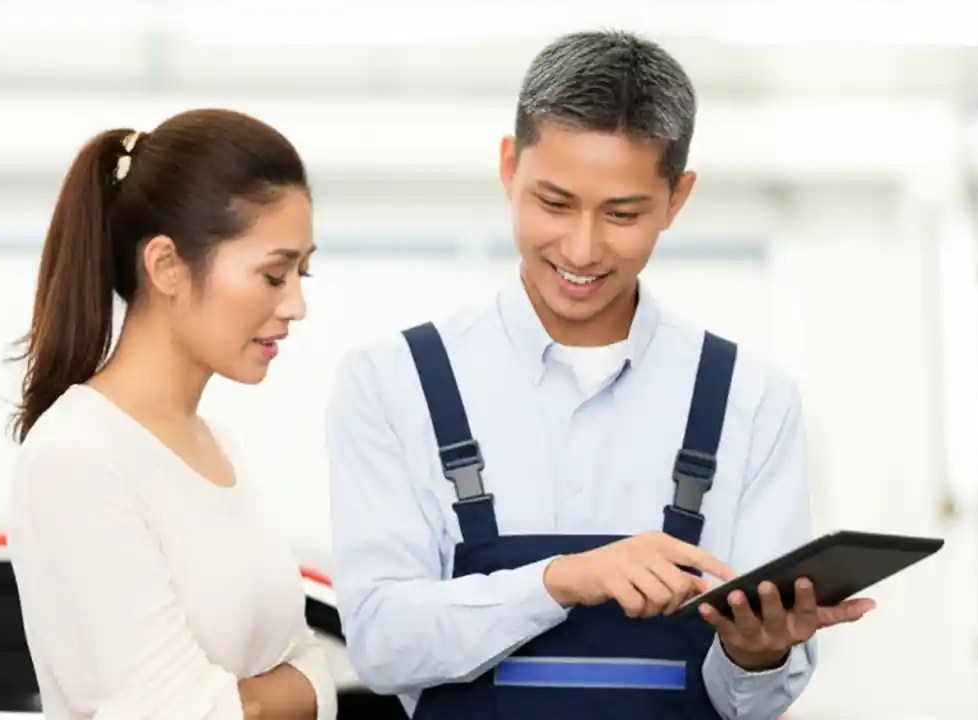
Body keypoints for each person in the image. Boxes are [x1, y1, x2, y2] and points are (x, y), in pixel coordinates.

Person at [326, 31, 874, 719]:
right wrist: (563, 582)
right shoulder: (392, 383)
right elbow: (380, 643)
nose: (581, 249)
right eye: (554, 203)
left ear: (677, 199)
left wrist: (756, 654)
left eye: (622, 214)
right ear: (507, 167)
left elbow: (754, 702)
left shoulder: (753, 400)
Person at [6, 108, 336, 719]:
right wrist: (279, 696)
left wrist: (266, 698)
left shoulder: (216, 445)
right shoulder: (78, 456)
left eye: (302, 272)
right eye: (274, 273)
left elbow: (315, 668)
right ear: (166, 266)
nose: (296, 305)